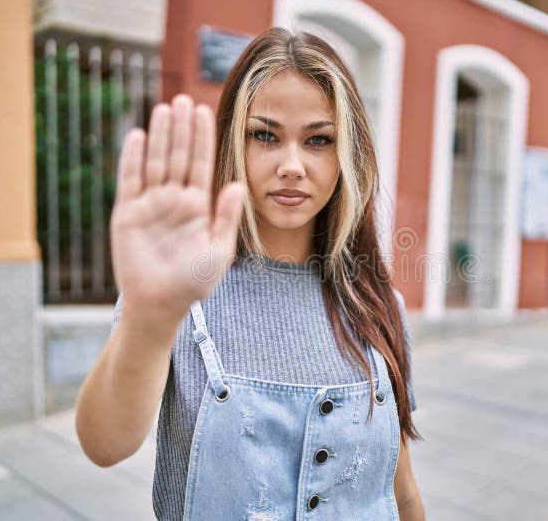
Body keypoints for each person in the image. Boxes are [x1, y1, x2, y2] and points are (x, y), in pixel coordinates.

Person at [75, 27, 425, 521]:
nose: (292, 165)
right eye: (265, 135)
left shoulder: (376, 302)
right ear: (232, 143)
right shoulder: (181, 288)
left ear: (349, 154)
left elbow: (401, 489)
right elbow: (103, 443)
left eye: (319, 140)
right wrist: (150, 320)